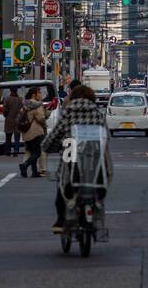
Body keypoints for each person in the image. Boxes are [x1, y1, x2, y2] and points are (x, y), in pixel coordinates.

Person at [43, 84, 111, 232]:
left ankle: (61, 220)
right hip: (94, 158)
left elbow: (55, 134)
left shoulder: (68, 113)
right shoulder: (97, 113)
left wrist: (48, 146)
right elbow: (106, 136)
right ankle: (95, 206)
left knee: (63, 185)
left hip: (71, 154)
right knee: (97, 183)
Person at [18, 87, 48, 178]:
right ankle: (25, 165)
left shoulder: (25, 104)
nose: (41, 95)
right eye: (39, 93)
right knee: (37, 152)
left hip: (26, 132)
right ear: (34, 95)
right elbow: (41, 118)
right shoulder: (37, 105)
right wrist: (45, 123)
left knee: (32, 151)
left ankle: (34, 172)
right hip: (36, 132)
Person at [1, 88, 24, 156]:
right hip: (18, 120)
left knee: (8, 137)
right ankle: (16, 151)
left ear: (10, 91)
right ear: (16, 91)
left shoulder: (7, 99)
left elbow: (4, 110)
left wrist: (6, 115)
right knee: (17, 137)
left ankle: (8, 151)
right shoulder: (20, 99)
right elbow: (22, 110)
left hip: (9, 119)